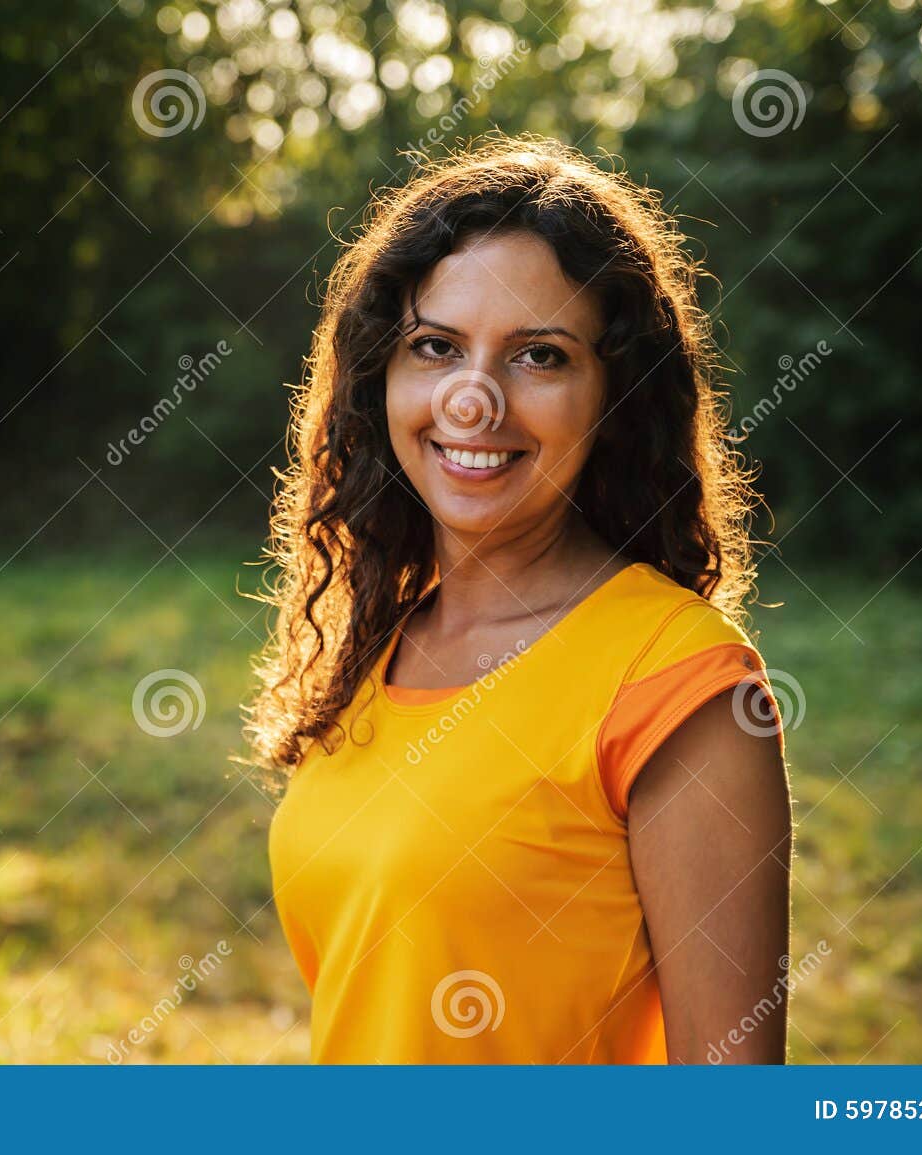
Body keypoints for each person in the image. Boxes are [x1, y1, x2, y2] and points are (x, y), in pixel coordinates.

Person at [245, 135, 794, 1064]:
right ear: (383, 372)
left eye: (539, 356)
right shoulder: (376, 644)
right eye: (435, 347)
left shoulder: (677, 680)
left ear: (614, 395)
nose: (473, 400)